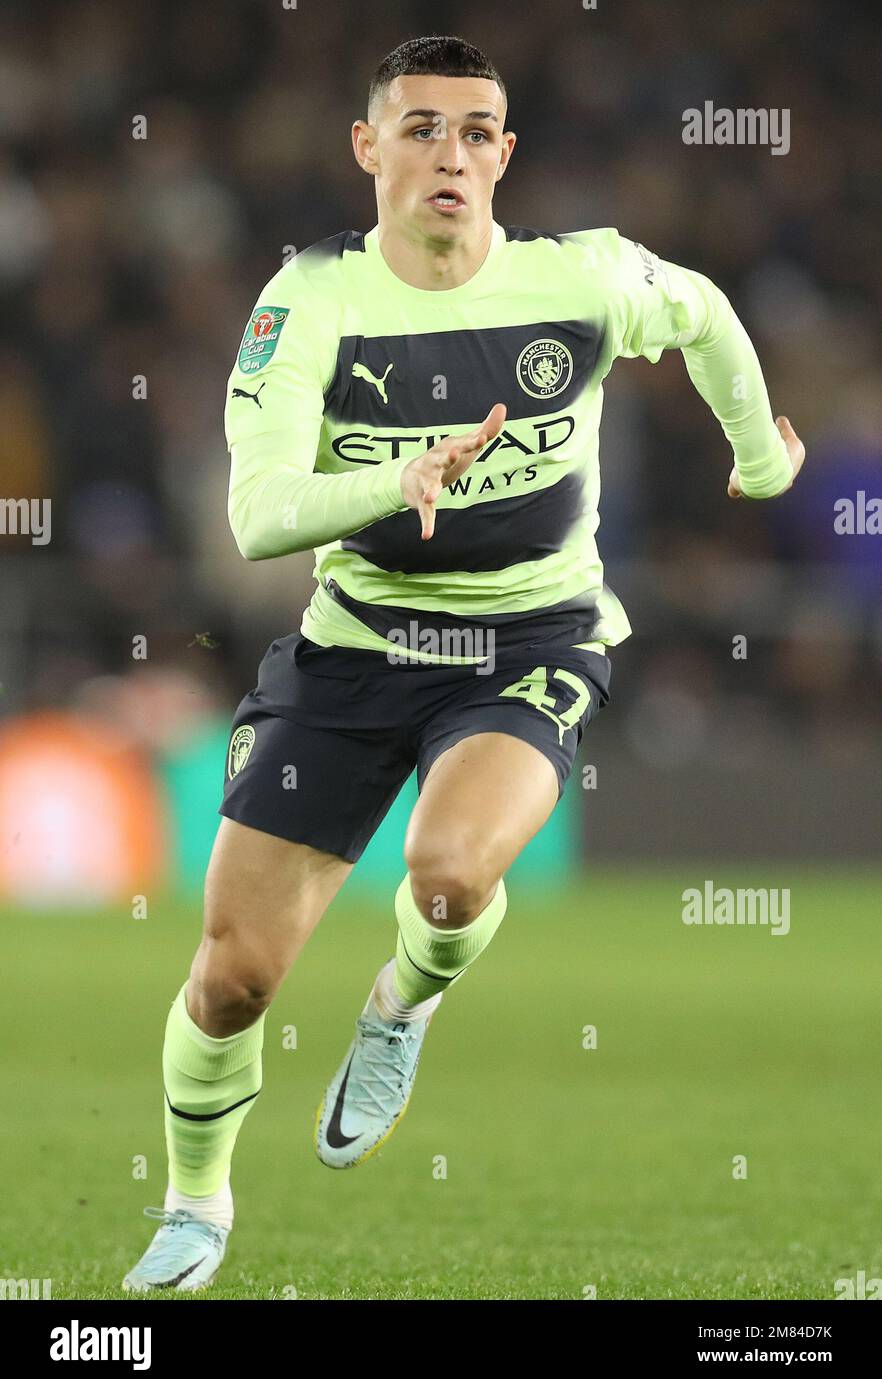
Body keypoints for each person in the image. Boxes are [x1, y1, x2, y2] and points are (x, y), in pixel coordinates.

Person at [123, 34, 805, 1291]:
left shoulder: (582, 279)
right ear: (366, 148)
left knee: (446, 877)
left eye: (477, 131)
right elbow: (257, 515)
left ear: (505, 156)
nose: (451, 152)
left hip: (529, 640)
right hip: (356, 647)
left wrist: (761, 454)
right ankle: (195, 1206)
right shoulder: (310, 302)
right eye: (422, 126)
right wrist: (400, 476)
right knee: (231, 980)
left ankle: (401, 1005)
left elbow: (703, 312)